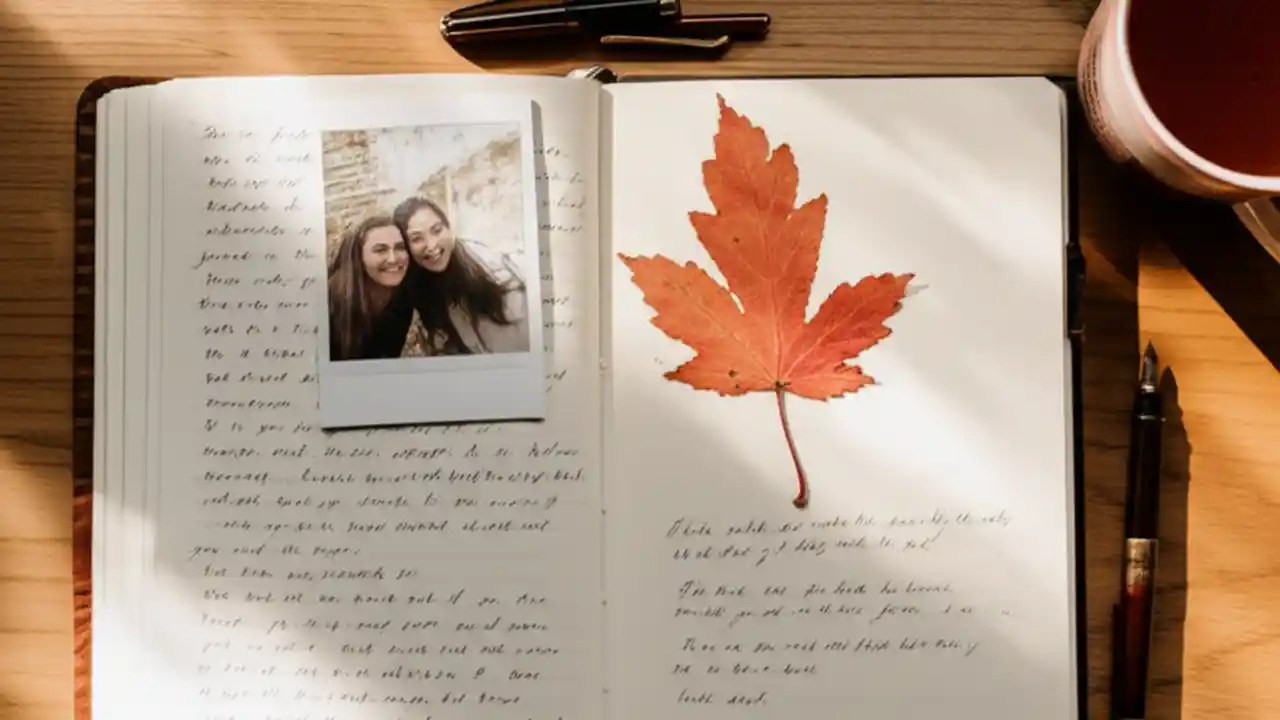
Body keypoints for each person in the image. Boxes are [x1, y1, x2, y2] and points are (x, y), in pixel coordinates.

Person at [392, 196, 530, 355]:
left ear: (449, 228)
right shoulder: (422, 288)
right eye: (417, 239)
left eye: (437, 230)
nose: (431, 245)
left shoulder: (492, 271)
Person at [326, 215, 412, 361]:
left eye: (400, 247)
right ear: (359, 257)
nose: (393, 259)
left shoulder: (403, 300)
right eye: (380, 250)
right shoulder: (330, 303)